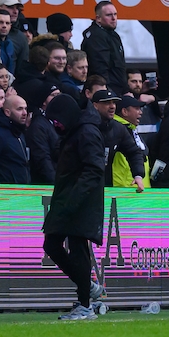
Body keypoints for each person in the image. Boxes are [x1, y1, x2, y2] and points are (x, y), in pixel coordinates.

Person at [40, 94, 113, 320]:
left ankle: (84, 304)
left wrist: (74, 199)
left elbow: (94, 169)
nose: (56, 125)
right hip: (68, 197)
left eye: (57, 120)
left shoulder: (87, 132)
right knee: (52, 244)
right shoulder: (76, 131)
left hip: (80, 200)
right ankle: (87, 287)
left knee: (77, 248)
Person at [82, 1, 126, 95]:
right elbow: (100, 68)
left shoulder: (113, 35)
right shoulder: (96, 36)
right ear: (98, 18)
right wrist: (107, 93)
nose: (113, 18)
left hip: (117, 89)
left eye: (115, 14)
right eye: (109, 15)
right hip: (108, 91)